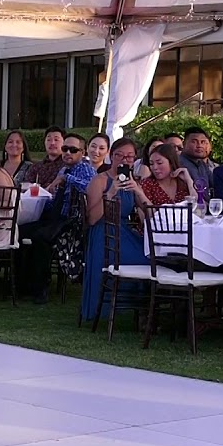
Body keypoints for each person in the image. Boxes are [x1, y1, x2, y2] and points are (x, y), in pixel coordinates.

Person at [79, 137, 146, 322]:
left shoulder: (133, 182)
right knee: (143, 261)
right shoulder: (100, 180)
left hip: (125, 231)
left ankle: (143, 309)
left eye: (129, 157)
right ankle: (139, 310)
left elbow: (149, 214)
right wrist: (110, 193)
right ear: (111, 156)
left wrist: (139, 192)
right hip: (104, 233)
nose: (124, 160)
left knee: (152, 257)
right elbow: (92, 219)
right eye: (119, 155)